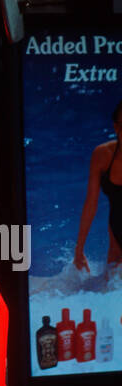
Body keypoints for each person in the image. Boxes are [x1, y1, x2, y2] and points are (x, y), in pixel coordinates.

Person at [73, 99, 122, 274]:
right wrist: (79, 249)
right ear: (116, 128)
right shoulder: (102, 155)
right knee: (109, 289)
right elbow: (91, 203)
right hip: (116, 234)